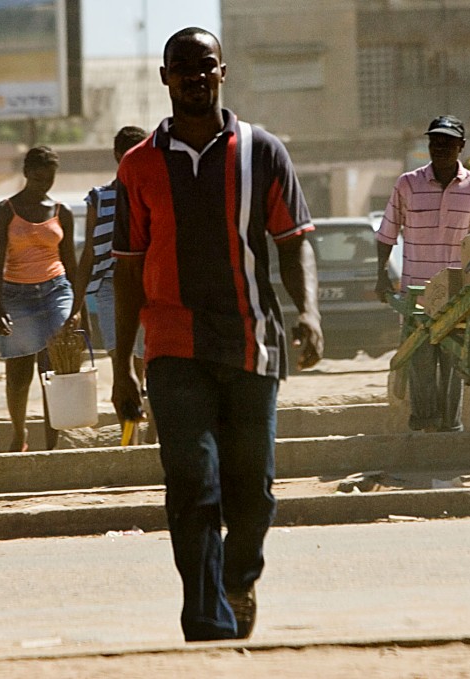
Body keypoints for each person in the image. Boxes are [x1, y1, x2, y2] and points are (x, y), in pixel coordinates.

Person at [111, 27, 323, 642]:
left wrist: (308, 311)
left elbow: (294, 243)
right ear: (165, 78)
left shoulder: (264, 152)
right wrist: (123, 361)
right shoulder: (140, 164)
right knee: (192, 485)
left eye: (205, 66)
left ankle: (239, 577)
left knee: (252, 493)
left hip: (253, 343)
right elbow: (127, 269)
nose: (195, 77)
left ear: (223, 72)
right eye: (183, 68)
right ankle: (206, 619)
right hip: (173, 350)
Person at [376, 115, 470, 433]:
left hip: (458, 291)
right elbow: (386, 234)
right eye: (434, 141)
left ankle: (450, 428)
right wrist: (380, 275)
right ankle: (425, 424)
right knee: (421, 358)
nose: (439, 147)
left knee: (455, 361)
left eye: (447, 142)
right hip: (416, 290)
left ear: (461, 146)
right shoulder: (407, 184)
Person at [0, 147, 79, 453]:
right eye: (39, 177)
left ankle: (52, 441)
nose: (44, 183)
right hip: (16, 295)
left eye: (50, 177)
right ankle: (18, 433)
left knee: (54, 368)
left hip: (56, 290)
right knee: (19, 373)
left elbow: (71, 263)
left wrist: (80, 310)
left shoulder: (60, 211)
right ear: (26, 174)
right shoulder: (5, 210)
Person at [68, 125, 150, 441]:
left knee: (152, 365)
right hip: (110, 289)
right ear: (118, 157)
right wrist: (75, 307)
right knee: (123, 367)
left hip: (149, 285)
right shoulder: (100, 198)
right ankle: (130, 439)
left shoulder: (156, 192)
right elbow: (89, 253)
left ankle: (150, 440)